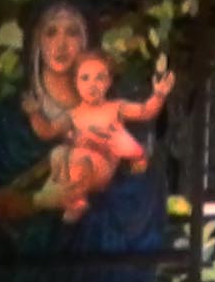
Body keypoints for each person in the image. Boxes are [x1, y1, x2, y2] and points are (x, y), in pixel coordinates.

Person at [0, 0, 168, 282]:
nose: (61, 44)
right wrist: (26, 204)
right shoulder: (8, 119)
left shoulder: (112, 113)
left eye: (73, 33)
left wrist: (94, 189)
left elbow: (142, 194)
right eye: (50, 32)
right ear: (36, 42)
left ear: (88, 43)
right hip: (17, 270)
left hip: (92, 270)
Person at [39, 51, 174, 220]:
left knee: (82, 160)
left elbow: (145, 111)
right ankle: (67, 198)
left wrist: (159, 95)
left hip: (100, 166)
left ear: (108, 82)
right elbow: (48, 130)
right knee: (57, 153)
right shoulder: (73, 114)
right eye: (85, 78)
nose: (92, 84)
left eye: (99, 78)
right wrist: (34, 114)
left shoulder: (115, 108)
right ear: (75, 82)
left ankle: (76, 200)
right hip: (75, 165)